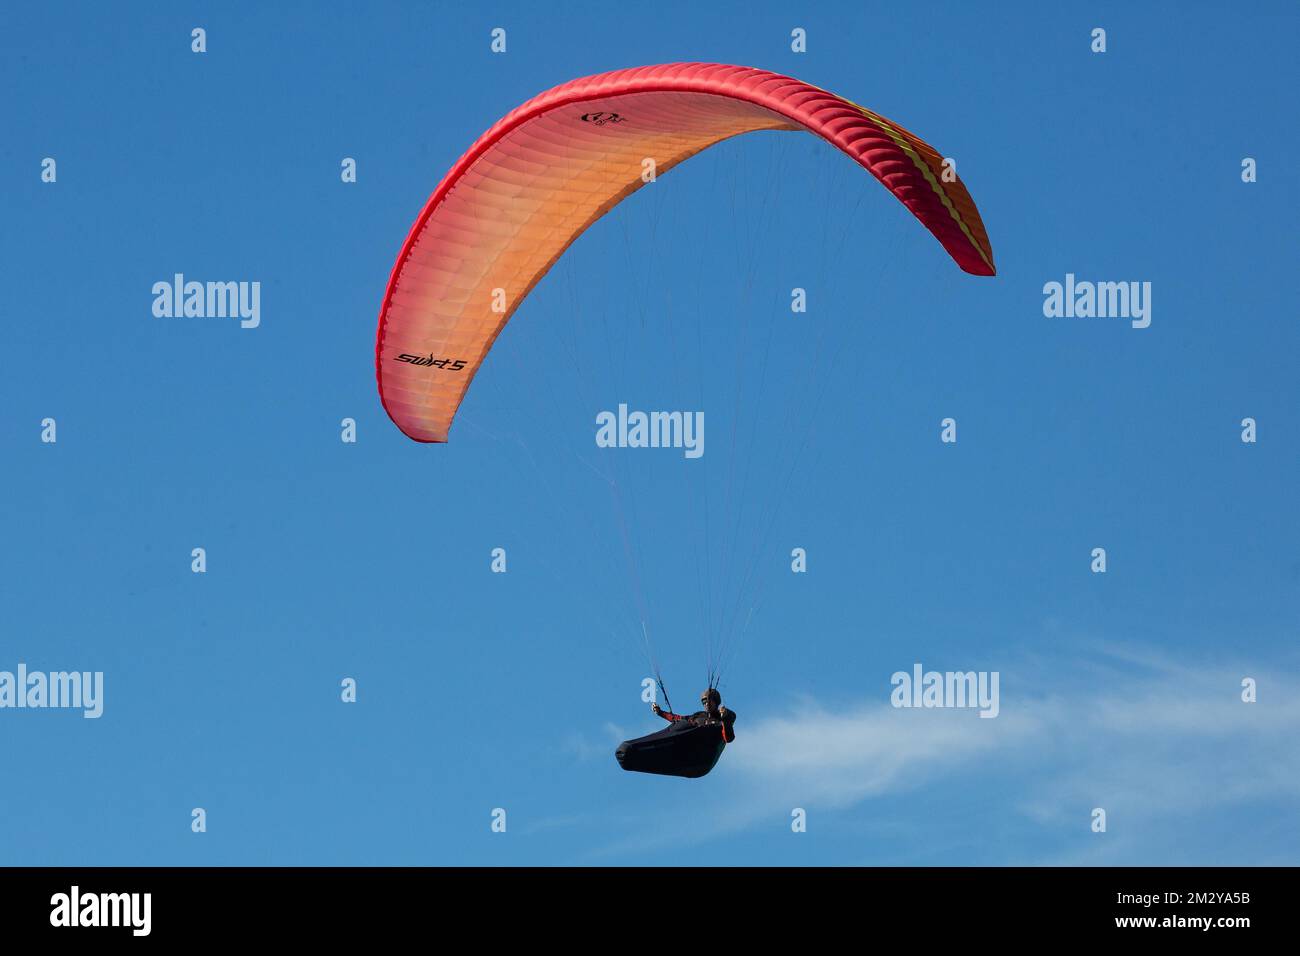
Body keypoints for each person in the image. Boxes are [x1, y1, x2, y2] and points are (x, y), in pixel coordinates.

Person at [652, 688, 736, 744]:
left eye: (708, 701)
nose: (706, 704)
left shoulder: (722, 717)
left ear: (716, 701)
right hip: (692, 740)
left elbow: (729, 738)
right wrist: (660, 712)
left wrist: (725, 717)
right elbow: (678, 718)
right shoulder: (700, 715)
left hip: (707, 744)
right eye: (704, 702)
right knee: (681, 723)